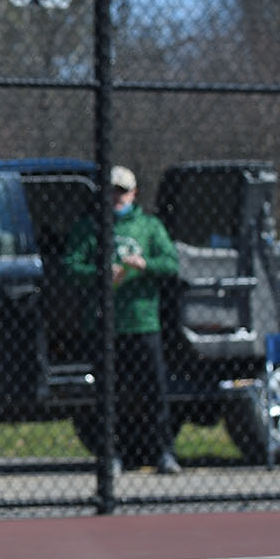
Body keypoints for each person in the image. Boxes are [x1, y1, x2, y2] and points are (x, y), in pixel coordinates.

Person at [63, 165, 183, 475]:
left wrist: (145, 264)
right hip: (105, 325)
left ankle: (164, 452)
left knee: (154, 391)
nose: (117, 197)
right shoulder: (89, 228)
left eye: (122, 191)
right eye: (111, 191)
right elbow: (70, 267)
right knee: (109, 395)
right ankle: (112, 455)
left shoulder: (149, 226)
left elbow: (171, 263)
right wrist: (101, 274)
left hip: (143, 322)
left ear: (134, 193)